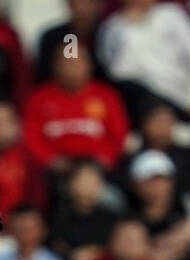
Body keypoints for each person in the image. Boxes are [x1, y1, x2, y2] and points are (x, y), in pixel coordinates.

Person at [96, 0, 190, 123]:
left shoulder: (171, 15)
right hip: (139, 95)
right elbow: (112, 67)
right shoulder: (112, 26)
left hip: (179, 95)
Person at [23, 44, 129, 176]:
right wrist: (51, 160)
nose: (72, 68)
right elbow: (31, 137)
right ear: (55, 66)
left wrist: (103, 159)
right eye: (67, 63)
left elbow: (119, 135)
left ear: (89, 65)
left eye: (77, 63)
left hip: (98, 170)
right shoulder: (39, 98)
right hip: (53, 171)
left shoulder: (106, 96)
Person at [35, 0, 103, 83]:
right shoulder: (52, 38)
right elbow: (43, 76)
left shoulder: (108, 35)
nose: (82, 8)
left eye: (88, 2)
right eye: (78, 2)